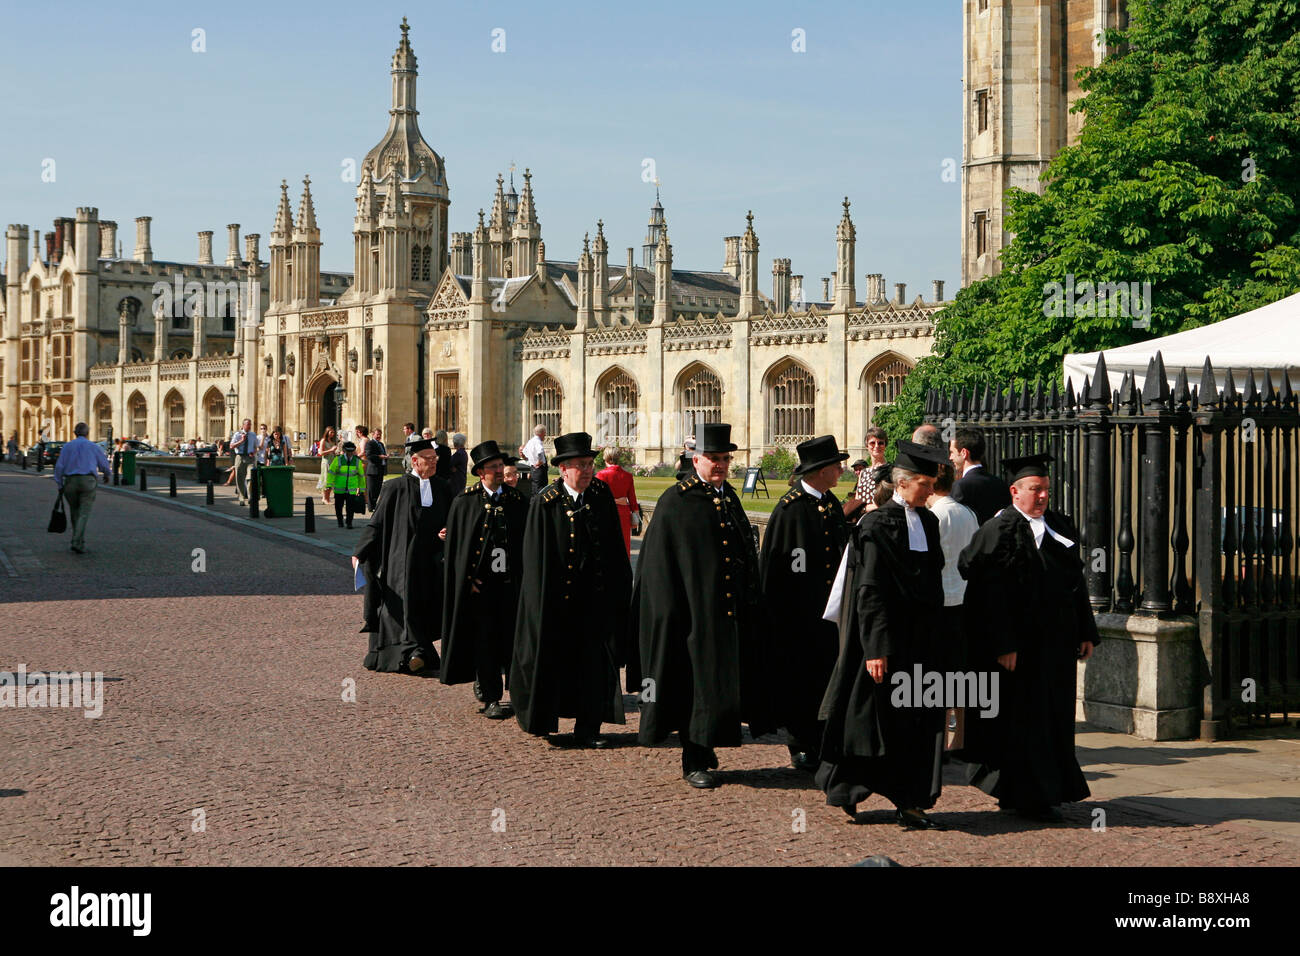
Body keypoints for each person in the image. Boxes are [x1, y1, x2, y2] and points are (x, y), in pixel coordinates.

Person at [633, 422, 778, 789]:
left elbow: (742, 548)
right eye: (713, 458)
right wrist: (670, 614)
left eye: (726, 458)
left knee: (717, 685)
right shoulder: (675, 502)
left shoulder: (726, 496)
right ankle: (693, 757)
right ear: (695, 459)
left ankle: (708, 744)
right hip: (691, 615)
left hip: (726, 611)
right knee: (692, 686)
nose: (721, 465)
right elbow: (658, 567)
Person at [816, 440, 950, 830]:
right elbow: (869, 591)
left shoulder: (928, 522)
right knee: (867, 720)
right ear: (903, 483)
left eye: (931, 483)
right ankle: (848, 789)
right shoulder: (874, 525)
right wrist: (876, 648)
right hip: (882, 643)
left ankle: (912, 800)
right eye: (923, 483)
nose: (929, 491)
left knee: (918, 723)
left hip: (921, 642)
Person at [957, 452, 1098, 821]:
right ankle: (1022, 794)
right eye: (1035, 490)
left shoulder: (1059, 527)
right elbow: (986, 591)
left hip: (1055, 646)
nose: (1042, 497)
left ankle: (1047, 791)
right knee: (1020, 723)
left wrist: (1086, 631)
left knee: (1053, 720)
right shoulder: (999, 529)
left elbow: (1075, 583)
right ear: (1015, 491)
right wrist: (1003, 644)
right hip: (1017, 650)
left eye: (1046, 490)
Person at [510, 432, 632, 748]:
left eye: (590, 463)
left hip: (594, 600)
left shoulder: (600, 495)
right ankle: (546, 720)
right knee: (557, 662)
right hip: (558, 601)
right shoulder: (546, 503)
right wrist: (540, 605)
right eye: (581, 465)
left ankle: (589, 727)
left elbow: (615, 548)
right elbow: (535, 560)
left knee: (593, 665)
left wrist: (620, 590)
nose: (588, 470)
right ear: (564, 469)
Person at [759, 435, 851, 773]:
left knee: (826, 675)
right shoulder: (791, 509)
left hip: (828, 612)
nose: (841, 470)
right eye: (836, 466)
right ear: (821, 471)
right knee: (800, 679)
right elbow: (776, 569)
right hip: (798, 614)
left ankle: (824, 736)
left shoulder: (829, 504)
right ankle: (800, 742)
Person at [441, 441, 529, 718]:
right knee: (487, 643)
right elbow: (456, 549)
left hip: (512, 585)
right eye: (494, 467)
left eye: (501, 466)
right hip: (482, 587)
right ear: (480, 472)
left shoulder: (517, 501)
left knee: (514, 642)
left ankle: (519, 695)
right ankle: (491, 697)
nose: (500, 471)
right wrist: (466, 580)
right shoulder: (465, 502)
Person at [354, 436, 454, 675]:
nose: (433, 463)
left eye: (435, 459)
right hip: (402, 559)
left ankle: (416, 651)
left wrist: (447, 531)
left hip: (431, 559)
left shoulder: (443, 487)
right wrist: (360, 551)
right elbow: (375, 524)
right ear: (415, 462)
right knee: (403, 604)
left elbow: (452, 519)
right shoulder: (395, 487)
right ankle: (413, 652)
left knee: (425, 603)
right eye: (428, 459)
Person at [928, 459, 979, 752]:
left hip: (943, 600)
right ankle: (959, 735)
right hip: (964, 597)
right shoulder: (967, 513)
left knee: (940, 672)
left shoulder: (935, 516)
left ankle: (942, 735)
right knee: (959, 670)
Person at [53, 422, 112, 554]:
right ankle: (77, 541)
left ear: (74, 433)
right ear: (87, 433)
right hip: (88, 481)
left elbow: (59, 466)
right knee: (84, 514)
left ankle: (79, 541)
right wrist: (107, 474)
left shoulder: (67, 447)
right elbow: (103, 463)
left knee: (74, 512)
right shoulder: (93, 446)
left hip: (70, 481)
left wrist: (59, 484)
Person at [950, 427, 1009, 524]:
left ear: (964, 453)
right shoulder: (1000, 484)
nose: (950, 457)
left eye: (952, 452)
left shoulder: (960, 486)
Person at [595, 447, 640, 555]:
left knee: (607, 546)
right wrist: (636, 519)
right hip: (623, 514)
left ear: (605, 458)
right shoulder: (627, 476)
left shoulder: (601, 475)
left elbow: (597, 498)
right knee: (623, 546)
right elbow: (633, 500)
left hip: (605, 513)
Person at [846, 426, 890, 521]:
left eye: (880, 443)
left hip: (880, 520)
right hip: (862, 520)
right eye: (872, 443)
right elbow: (857, 499)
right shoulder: (863, 472)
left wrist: (864, 509)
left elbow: (888, 503)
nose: (876, 446)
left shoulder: (890, 470)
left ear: (885, 445)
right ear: (867, 446)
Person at [326, 441, 367, 529]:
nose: (350, 453)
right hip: (339, 488)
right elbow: (331, 473)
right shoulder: (338, 459)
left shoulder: (357, 461)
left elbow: (361, 476)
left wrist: (362, 489)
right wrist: (329, 485)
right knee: (338, 506)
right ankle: (340, 521)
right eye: (348, 451)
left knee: (350, 507)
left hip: (352, 489)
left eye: (351, 451)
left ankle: (349, 523)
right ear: (344, 450)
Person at [230, 418, 257, 505]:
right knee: (239, 479)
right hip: (240, 457)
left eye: (250, 424)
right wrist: (241, 441)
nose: (249, 426)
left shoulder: (253, 435)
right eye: (247, 424)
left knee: (250, 477)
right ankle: (241, 498)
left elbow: (255, 447)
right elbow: (231, 446)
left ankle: (250, 497)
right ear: (243, 425)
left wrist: (254, 452)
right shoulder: (237, 434)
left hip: (250, 458)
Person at [520, 424, 549, 496]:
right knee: (541, 489)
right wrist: (539, 461)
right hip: (539, 469)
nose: (545, 436)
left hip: (533, 468)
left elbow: (524, 451)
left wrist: (530, 459)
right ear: (542, 433)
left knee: (535, 488)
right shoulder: (537, 441)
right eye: (544, 433)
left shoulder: (530, 441)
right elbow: (540, 451)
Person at [363, 426, 387, 513]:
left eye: (380, 435)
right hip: (372, 470)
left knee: (378, 489)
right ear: (373, 434)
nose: (379, 436)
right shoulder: (370, 443)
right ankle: (370, 507)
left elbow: (383, 454)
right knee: (371, 489)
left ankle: (374, 505)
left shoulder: (381, 444)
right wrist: (379, 457)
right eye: (377, 434)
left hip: (380, 469)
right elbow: (369, 456)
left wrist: (386, 456)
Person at [317, 426, 339, 504]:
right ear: (327, 432)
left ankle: (327, 498)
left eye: (333, 432)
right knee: (326, 480)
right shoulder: (323, 440)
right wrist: (331, 450)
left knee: (331, 481)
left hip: (332, 462)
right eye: (331, 432)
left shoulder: (332, 442)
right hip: (326, 462)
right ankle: (325, 498)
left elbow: (332, 452)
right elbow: (321, 453)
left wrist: (335, 452)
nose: (332, 434)